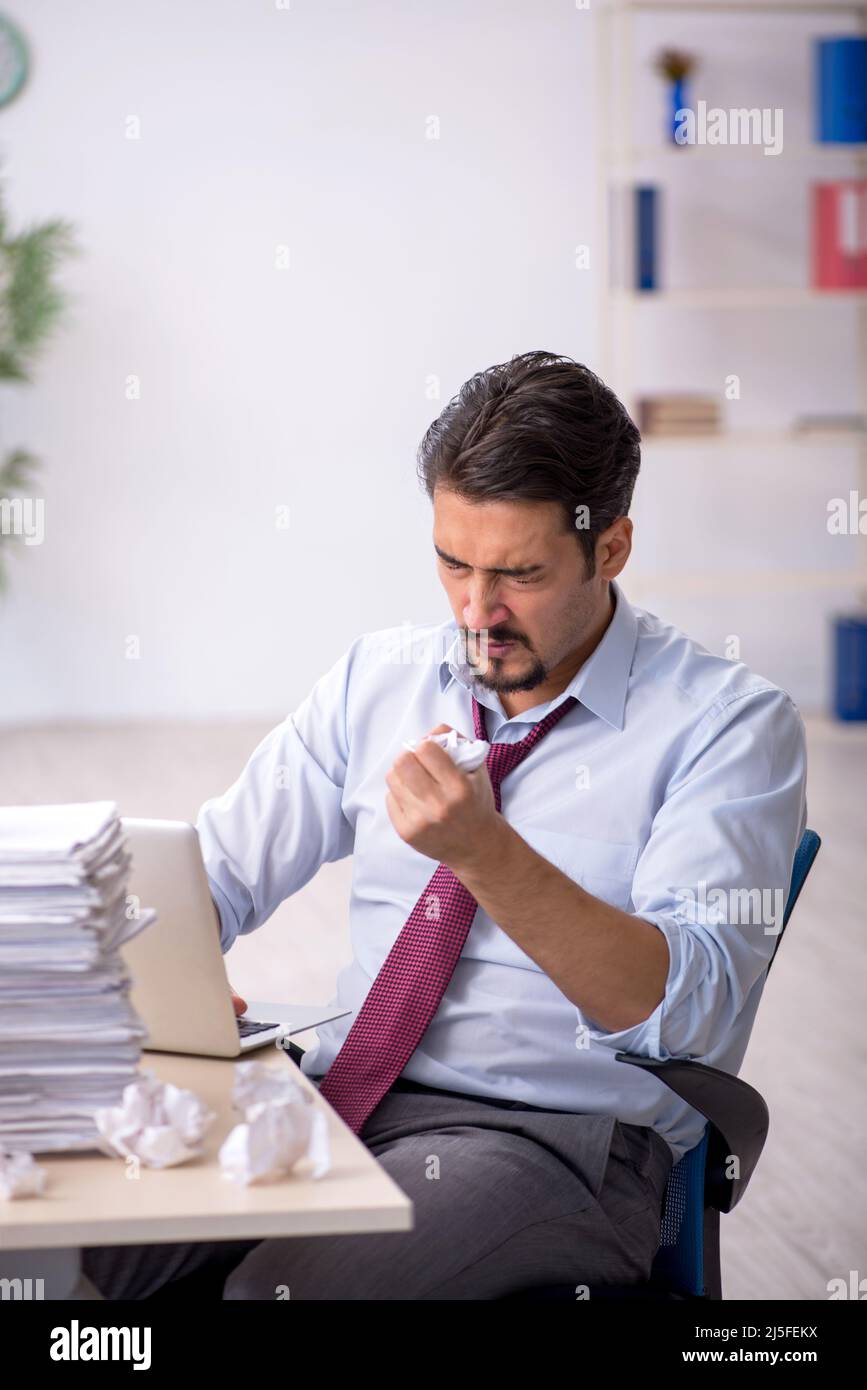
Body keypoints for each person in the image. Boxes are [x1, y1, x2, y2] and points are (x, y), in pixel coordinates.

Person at [83, 350, 807, 1300]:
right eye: (452, 562)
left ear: (612, 547)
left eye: (519, 574)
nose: (476, 611)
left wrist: (485, 853)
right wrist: (147, 985)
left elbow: (689, 1018)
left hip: (554, 1137)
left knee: (281, 1296)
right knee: (71, 1244)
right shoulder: (376, 678)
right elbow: (209, 876)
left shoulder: (728, 726)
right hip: (337, 1090)